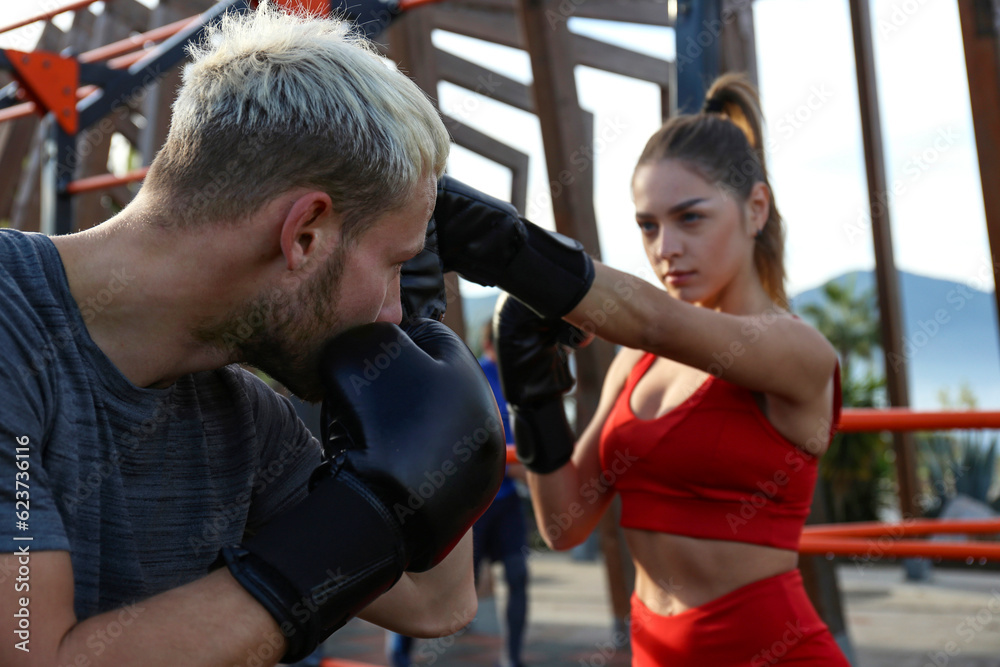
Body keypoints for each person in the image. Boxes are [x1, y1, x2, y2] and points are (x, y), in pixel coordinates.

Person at [0, 4, 518, 665]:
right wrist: (351, 529)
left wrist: (439, 404)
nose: (392, 312)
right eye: (394, 266)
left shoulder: (242, 416)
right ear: (304, 233)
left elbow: (435, 601)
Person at [493, 74, 852, 665]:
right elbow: (563, 523)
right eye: (648, 225)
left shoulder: (796, 350)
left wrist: (512, 254)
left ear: (754, 208)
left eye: (690, 219)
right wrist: (530, 389)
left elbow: (655, 320)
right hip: (652, 651)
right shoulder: (636, 362)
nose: (666, 249)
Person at [387, 320, 530, 667]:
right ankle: (400, 656)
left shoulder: (523, 382)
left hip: (508, 499)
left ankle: (512, 658)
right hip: (471, 505)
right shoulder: (476, 378)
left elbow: (529, 447)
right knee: (431, 587)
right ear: (496, 345)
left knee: (518, 574)